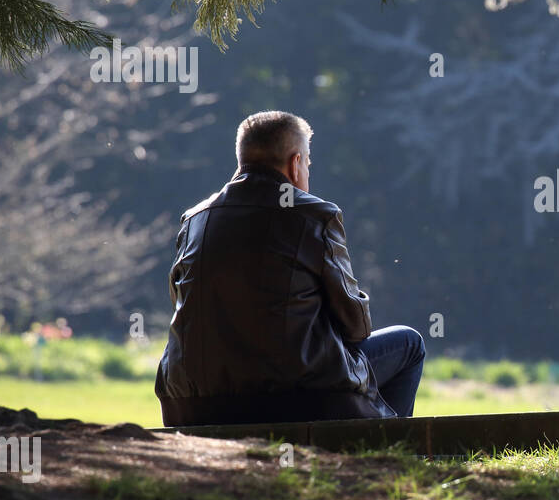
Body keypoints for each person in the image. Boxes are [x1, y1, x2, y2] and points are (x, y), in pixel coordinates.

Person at [155, 110, 424, 427]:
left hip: (189, 405)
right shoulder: (314, 215)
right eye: (309, 163)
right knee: (409, 343)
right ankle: (390, 452)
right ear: (296, 164)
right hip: (299, 397)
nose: (308, 171)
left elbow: (184, 306)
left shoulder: (194, 220)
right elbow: (356, 327)